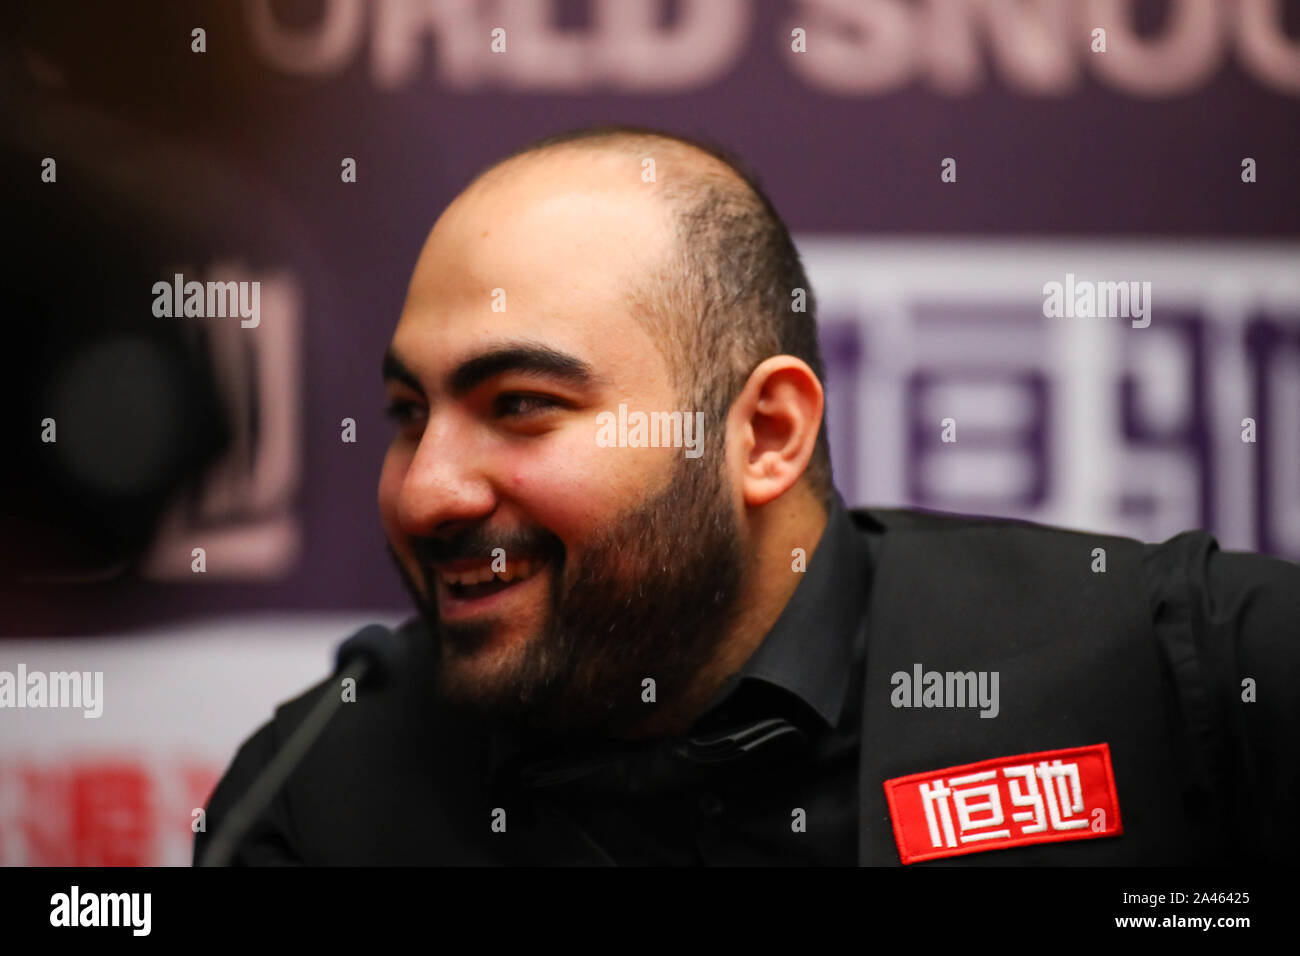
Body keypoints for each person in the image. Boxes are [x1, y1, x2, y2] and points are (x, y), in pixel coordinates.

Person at [195, 125, 1299, 866]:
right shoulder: (317, 794)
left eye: (522, 402)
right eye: (407, 413)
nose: (426, 487)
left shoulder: (1182, 670)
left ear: (763, 433)